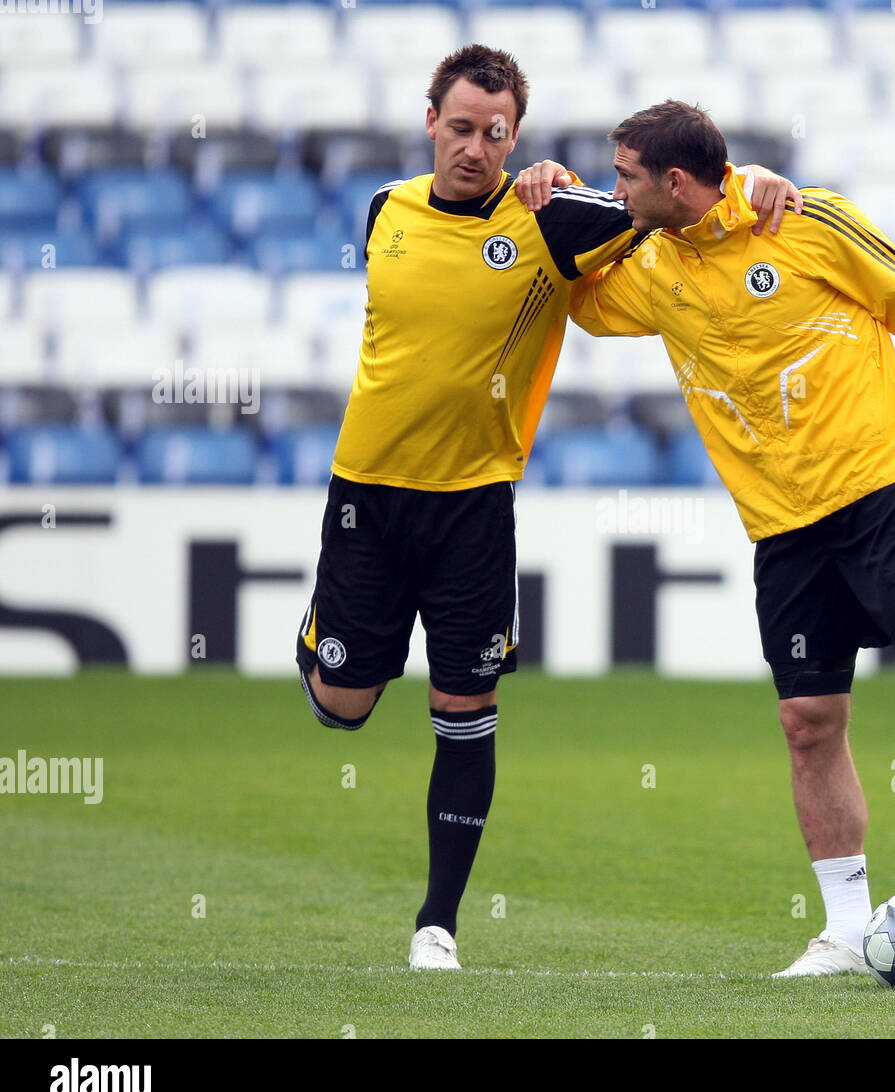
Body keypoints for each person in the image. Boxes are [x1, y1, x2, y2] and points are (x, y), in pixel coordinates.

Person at [295, 50, 801, 972]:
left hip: (475, 508)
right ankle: (327, 637)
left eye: (497, 133)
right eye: (460, 127)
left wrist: (756, 182)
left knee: (466, 707)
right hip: (366, 494)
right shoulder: (386, 212)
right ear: (429, 122)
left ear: (515, 136)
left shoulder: (553, 217)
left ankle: (437, 924)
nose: (476, 148)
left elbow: (684, 212)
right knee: (341, 704)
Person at [515, 101, 895, 977]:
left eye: (625, 176)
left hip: (879, 487)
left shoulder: (806, 220)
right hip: (781, 526)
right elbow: (585, 305)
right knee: (807, 722)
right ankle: (844, 930)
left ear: (674, 181)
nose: (617, 189)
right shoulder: (650, 264)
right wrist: (552, 195)